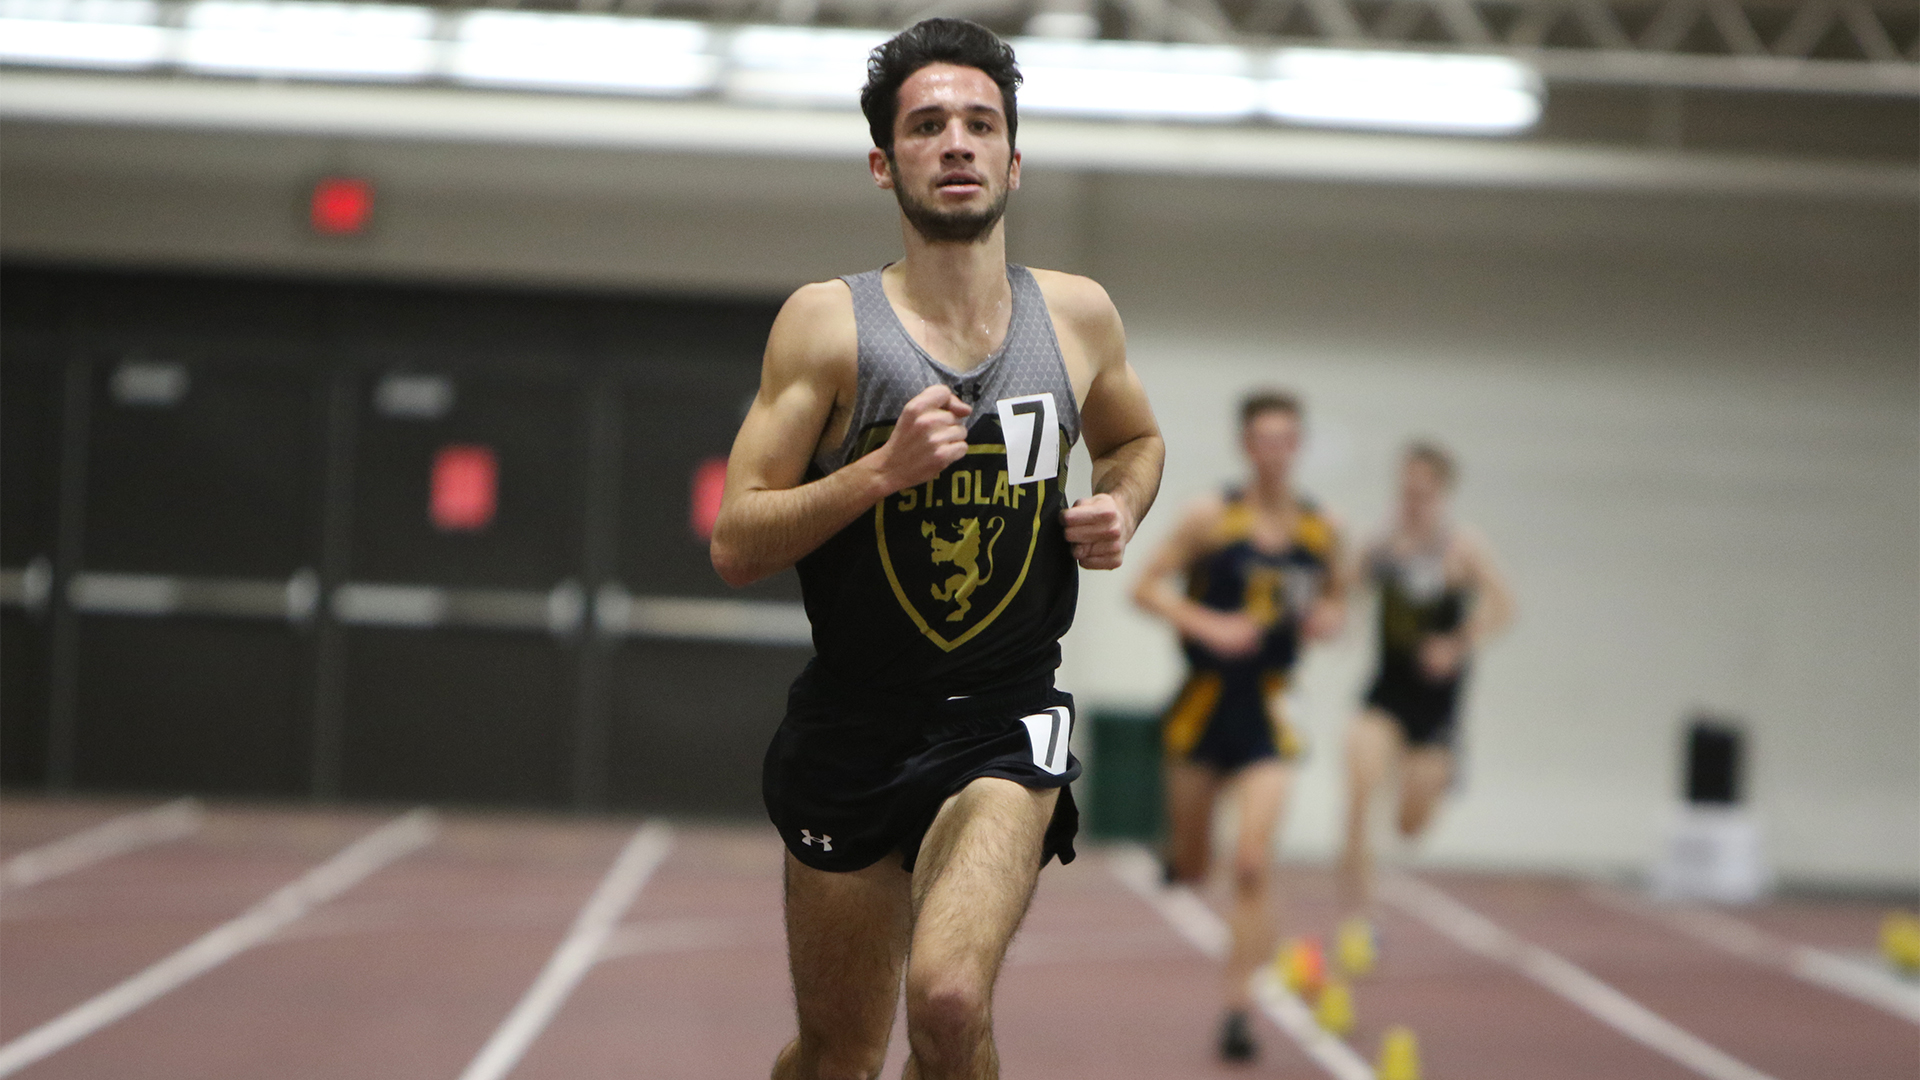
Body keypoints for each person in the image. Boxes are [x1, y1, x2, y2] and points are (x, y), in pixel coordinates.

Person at [709, 19, 1164, 1080]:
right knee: (839, 1055)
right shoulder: (829, 329)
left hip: (1003, 717)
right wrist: (877, 473)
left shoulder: (1079, 318)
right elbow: (736, 539)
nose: (955, 142)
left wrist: (1123, 505)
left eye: (979, 123)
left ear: (1015, 158)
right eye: (926, 126)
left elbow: (1135, 440)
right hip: (854, 724)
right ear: (884, 164)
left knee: (951, 1003)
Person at [1130, 390, 1344, 1063]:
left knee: (1251, 863)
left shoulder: (1320, 530)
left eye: (1287, 439)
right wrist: (1208, 624)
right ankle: (1181, 854)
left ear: (1298, 446)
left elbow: (1337, 595)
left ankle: (1238, 1010)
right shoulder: (1211, 518)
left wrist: (1331, 618)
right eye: (1263, 439)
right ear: (1246, 447)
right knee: (1195, 866)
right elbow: (1145, 587)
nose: (1275, 452)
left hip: (1272, 710)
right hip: (1203, 703)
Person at [1335, 440, 1514, 958]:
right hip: (1385, 694)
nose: (1412, 499)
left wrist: (1457, 645)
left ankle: (1433, 783)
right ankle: (1360, 919)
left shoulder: (1462, 548)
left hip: (1437, 707)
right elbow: (1343, 592)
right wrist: (1334, 616)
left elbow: (1504, 606)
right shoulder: (1380, 544)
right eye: (1405, 488)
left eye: (1423, 490)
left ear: (1441, 492)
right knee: (1360, 788)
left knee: (1409, 825)